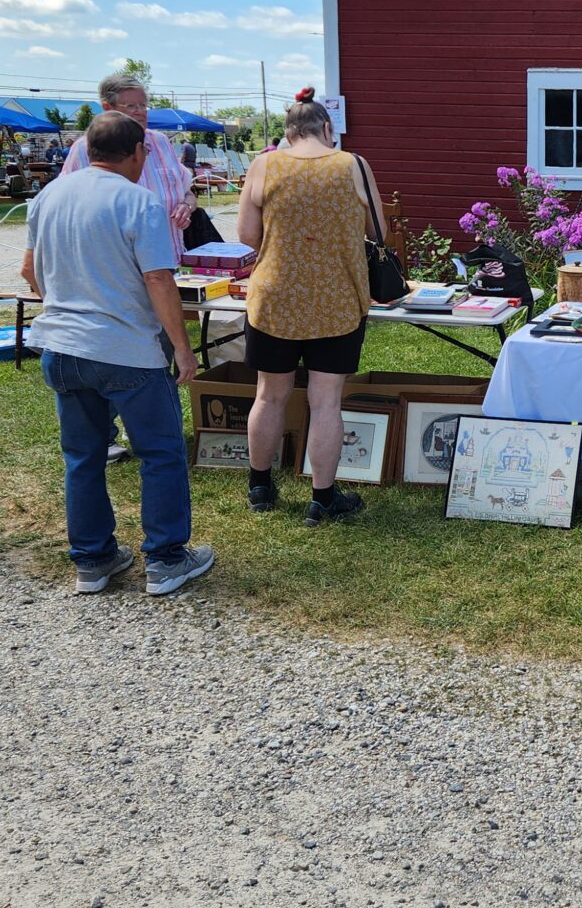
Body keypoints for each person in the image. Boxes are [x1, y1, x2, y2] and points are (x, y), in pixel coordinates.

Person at [22, 112, 215, 595]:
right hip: (127, 348)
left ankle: (93, 559)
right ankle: (167, 558)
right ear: (137, 153)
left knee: (82, 457)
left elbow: (29, 271)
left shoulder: (48, 197)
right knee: (161, 453)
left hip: (62, 346)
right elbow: (157, 279)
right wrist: (183, 349)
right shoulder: (138, 201)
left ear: (88, 151)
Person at [237, 87, 389, 524]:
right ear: (327, 129)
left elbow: (248, 235)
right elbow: (376, 232)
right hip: (336, 300)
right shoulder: (353, 165)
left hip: (274, 300)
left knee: (269, 395)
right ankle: (322, 497)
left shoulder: (263, 164)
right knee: (326, 401)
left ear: (288, 133)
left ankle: (260, 487)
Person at [59, 71, 196, 262]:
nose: (140, 111)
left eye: (143, 105)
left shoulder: (161, 142)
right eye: (131, 106)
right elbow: (66, 207)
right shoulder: (85, 148)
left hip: (171, 260)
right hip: (119, 270)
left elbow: (188, 192)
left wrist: (186, 206)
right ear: (107, 108)